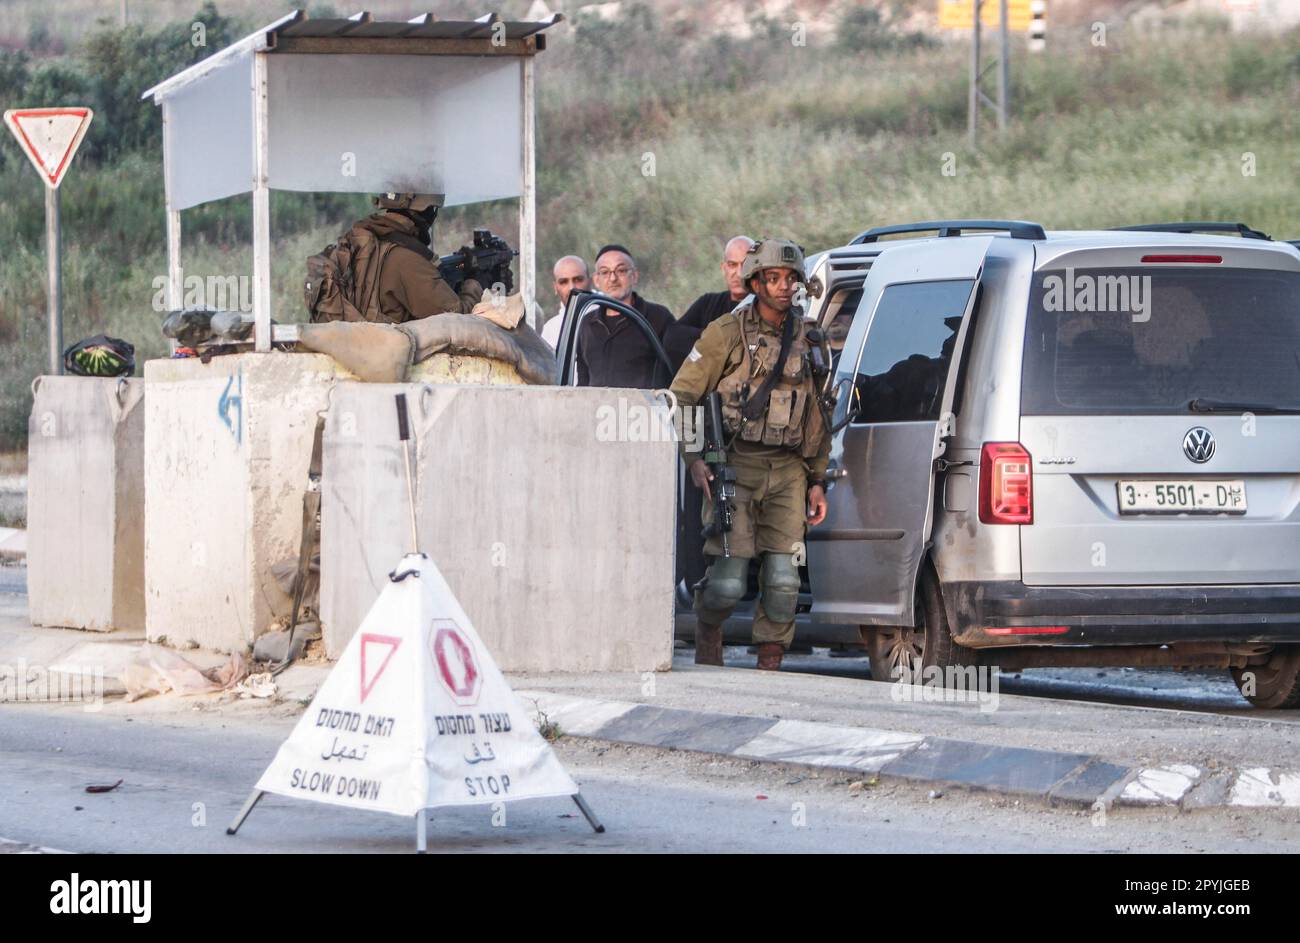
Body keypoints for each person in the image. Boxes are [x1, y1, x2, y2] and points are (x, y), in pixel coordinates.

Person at [669, 239, 831, 671]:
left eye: (790, 279)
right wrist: (695, 458)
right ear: (755, 282)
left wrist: (817, 479)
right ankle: (708, 632)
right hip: (734, 468)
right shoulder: (726, 333)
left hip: (789, 470)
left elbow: (817, 413)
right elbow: (682, 395)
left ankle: (770, 665)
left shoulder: (810, 338)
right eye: (774, 279)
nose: (783, 287)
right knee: (727, 580)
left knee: (783, 579)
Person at [357, 193, 484, 323]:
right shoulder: (407, 259)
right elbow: (456, 319)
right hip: (388, 340)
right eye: (433, 209)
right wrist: (474, 282)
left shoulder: (366, 241)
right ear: (424, 210)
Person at [575, 244, 674, 388]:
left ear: (634, 276)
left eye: (621, 270)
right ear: (596, 280)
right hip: (597, 409)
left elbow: (676, 372)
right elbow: (583, 380)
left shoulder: (658, 318)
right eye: (605, 272)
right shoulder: (587, 323)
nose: (613, 278)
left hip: (642, 409)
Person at [679, 235, 755, 331]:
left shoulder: (766, 309)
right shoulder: (708, 303)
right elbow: (674, 335)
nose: (739, 274)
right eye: (732, 265)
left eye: (745, 265)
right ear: (723, 269)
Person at [542, 255, 589, 349]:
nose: (572, 288)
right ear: (555, 287)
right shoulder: (550, 329)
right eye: (563, 282)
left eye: (578, 280)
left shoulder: (608, 315)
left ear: (590, 281)